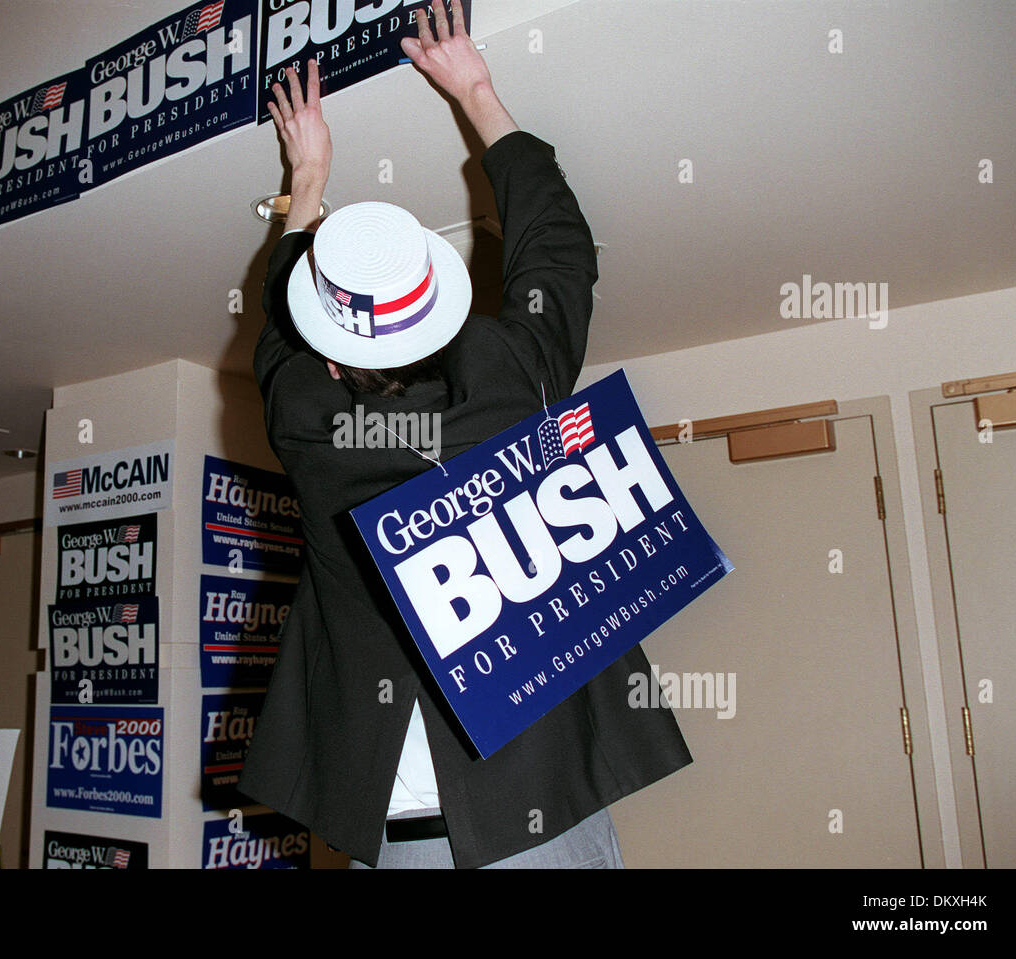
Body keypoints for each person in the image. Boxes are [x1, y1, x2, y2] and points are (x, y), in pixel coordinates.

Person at [238, 0, 691, 869]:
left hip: (389, 841)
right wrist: (478, 92)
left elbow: (274, 336)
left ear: (328, 357)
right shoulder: (508, 387)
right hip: (537, 826)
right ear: (440, 320)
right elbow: (559, 253)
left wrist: (309, 177)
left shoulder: (309, 430)